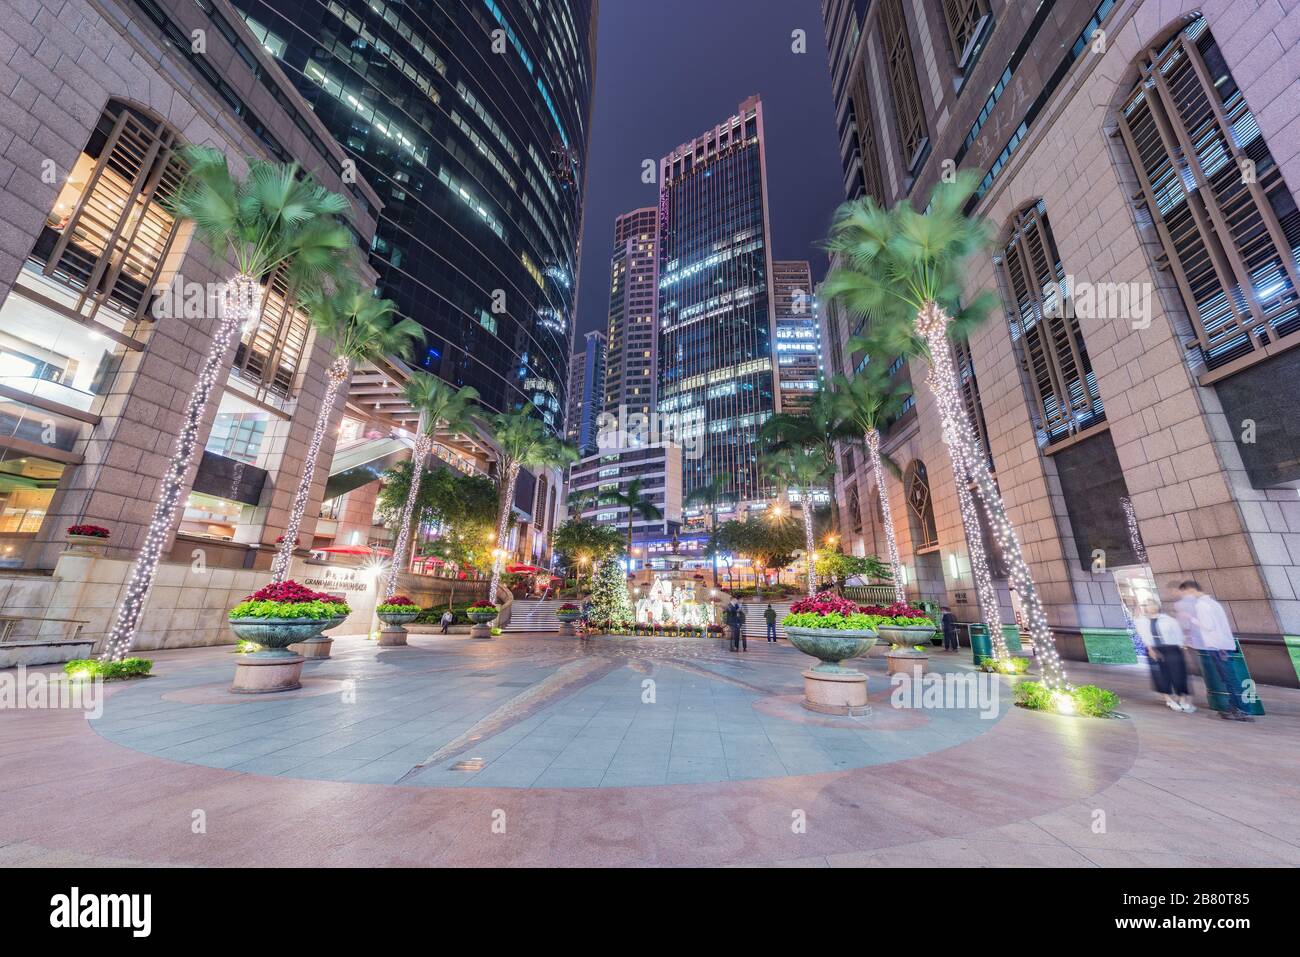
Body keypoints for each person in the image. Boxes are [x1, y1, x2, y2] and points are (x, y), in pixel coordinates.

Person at [1178, 581, 1254, 721]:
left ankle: (1243, 710)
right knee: (1228, 678)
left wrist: (1191, 619)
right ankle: (1234, 707)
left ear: (1190, 590)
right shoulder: (1213, 603)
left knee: (1230, 679)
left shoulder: (1202, 605)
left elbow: (1208, 626)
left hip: (1218, 647)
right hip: (1223, 646)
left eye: (1185, 594)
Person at [1134, 598, 1194, 713]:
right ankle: (1169, 699)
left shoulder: (1168, 620)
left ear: (1158, 606)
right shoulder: (1142, 621)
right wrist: (1150, 649)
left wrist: (1181, 647)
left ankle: (1182, 699)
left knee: (1178, 674)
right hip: (1154, 649)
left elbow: (1178, 635)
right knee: (1160, 675)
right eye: (1148, 605)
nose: (1151, 607)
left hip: (1172, 648)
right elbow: (1143, 635)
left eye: (1153, 604)